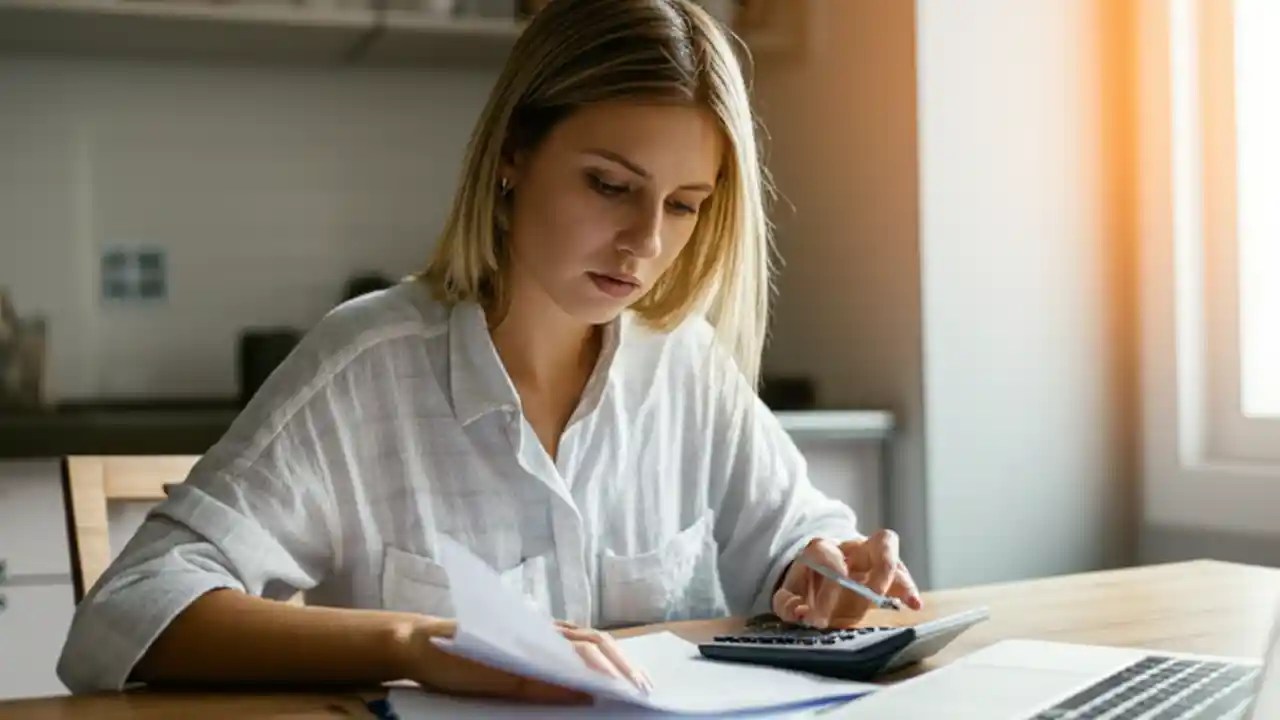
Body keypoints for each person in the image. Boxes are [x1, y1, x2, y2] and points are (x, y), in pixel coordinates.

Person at [57, 0, 922, 702]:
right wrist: (419, 641)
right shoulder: (366, 365)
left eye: (685, 204)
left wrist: (831, 572)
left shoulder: (686, 367)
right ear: (514, 152)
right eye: (611, 186)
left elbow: (796, 541)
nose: (645, 244)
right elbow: (130, 612)